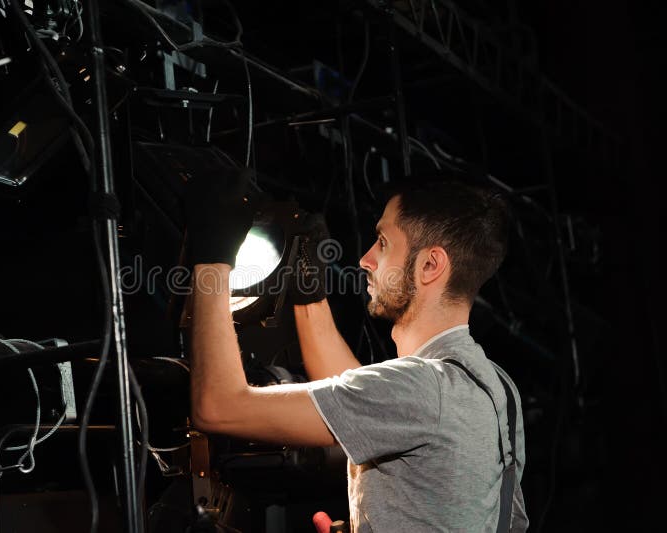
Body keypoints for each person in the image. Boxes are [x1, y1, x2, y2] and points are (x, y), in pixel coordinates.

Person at [184, 171, 528, 532]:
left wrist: (212, 259)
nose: (365, 259)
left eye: (382, 242)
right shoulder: (499, 390)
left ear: (430, 265)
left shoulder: (420, 389)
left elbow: (218, 406)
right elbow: (359, 395)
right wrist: (309, 296)